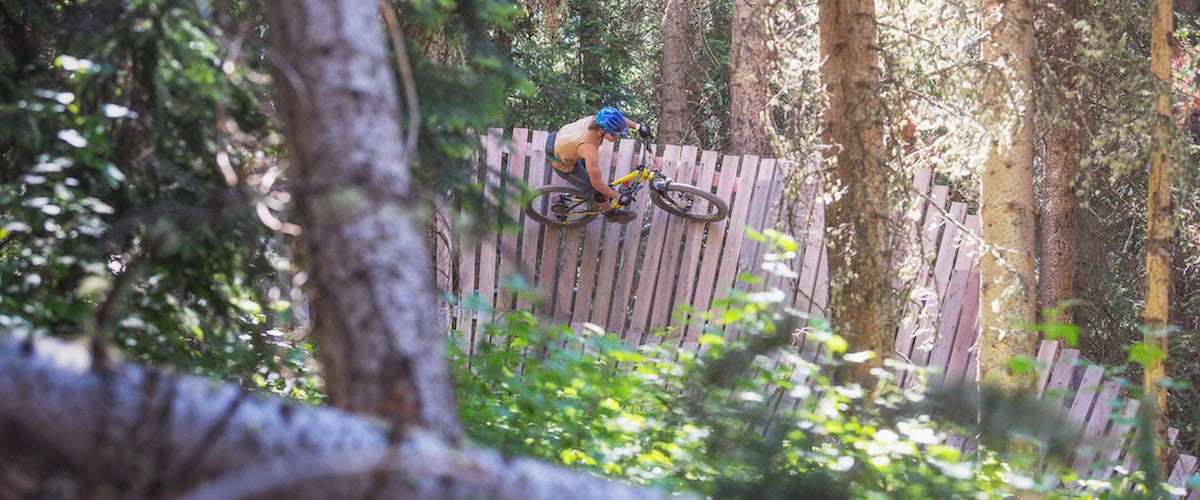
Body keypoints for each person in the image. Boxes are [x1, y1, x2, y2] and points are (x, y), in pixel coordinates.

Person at [546, 106, 655, 224]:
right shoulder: (589, 148)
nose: (617, 136)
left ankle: (583, 194)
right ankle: (611, 215)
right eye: (614, 133)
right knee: (597, 191)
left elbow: (617, 119)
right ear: (601, 130)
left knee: (592, 179)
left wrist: (638, 127)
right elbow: (596, 183)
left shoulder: (597, 120)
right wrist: (619, 197)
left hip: (564, 143)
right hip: (563, 163)